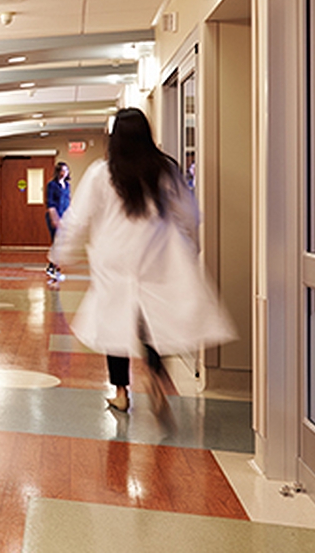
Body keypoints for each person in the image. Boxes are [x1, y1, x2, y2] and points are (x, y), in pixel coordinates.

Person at [48, 108, 234, 424]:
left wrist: (61, 253)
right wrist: (189, 248)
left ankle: (121, 392)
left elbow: (78, 219)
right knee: (153, 319)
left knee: (114, 324)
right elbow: (189, 214)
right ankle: (156, 373)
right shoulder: (165, 169)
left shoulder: (101, 173)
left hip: (114, 258)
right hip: (156, 254)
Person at [45, 161, 71, 281]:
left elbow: (67, 201)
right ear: (58, 171)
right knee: (57, 242)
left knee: (61, 243)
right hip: (54, 216)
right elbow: (50, 203)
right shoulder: (52, 185)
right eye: (62, 170)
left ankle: (51, 267)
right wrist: (54, 218)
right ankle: (55, 269)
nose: (64, 173)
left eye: (66, 170)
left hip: (64, 216)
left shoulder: (67, 185)